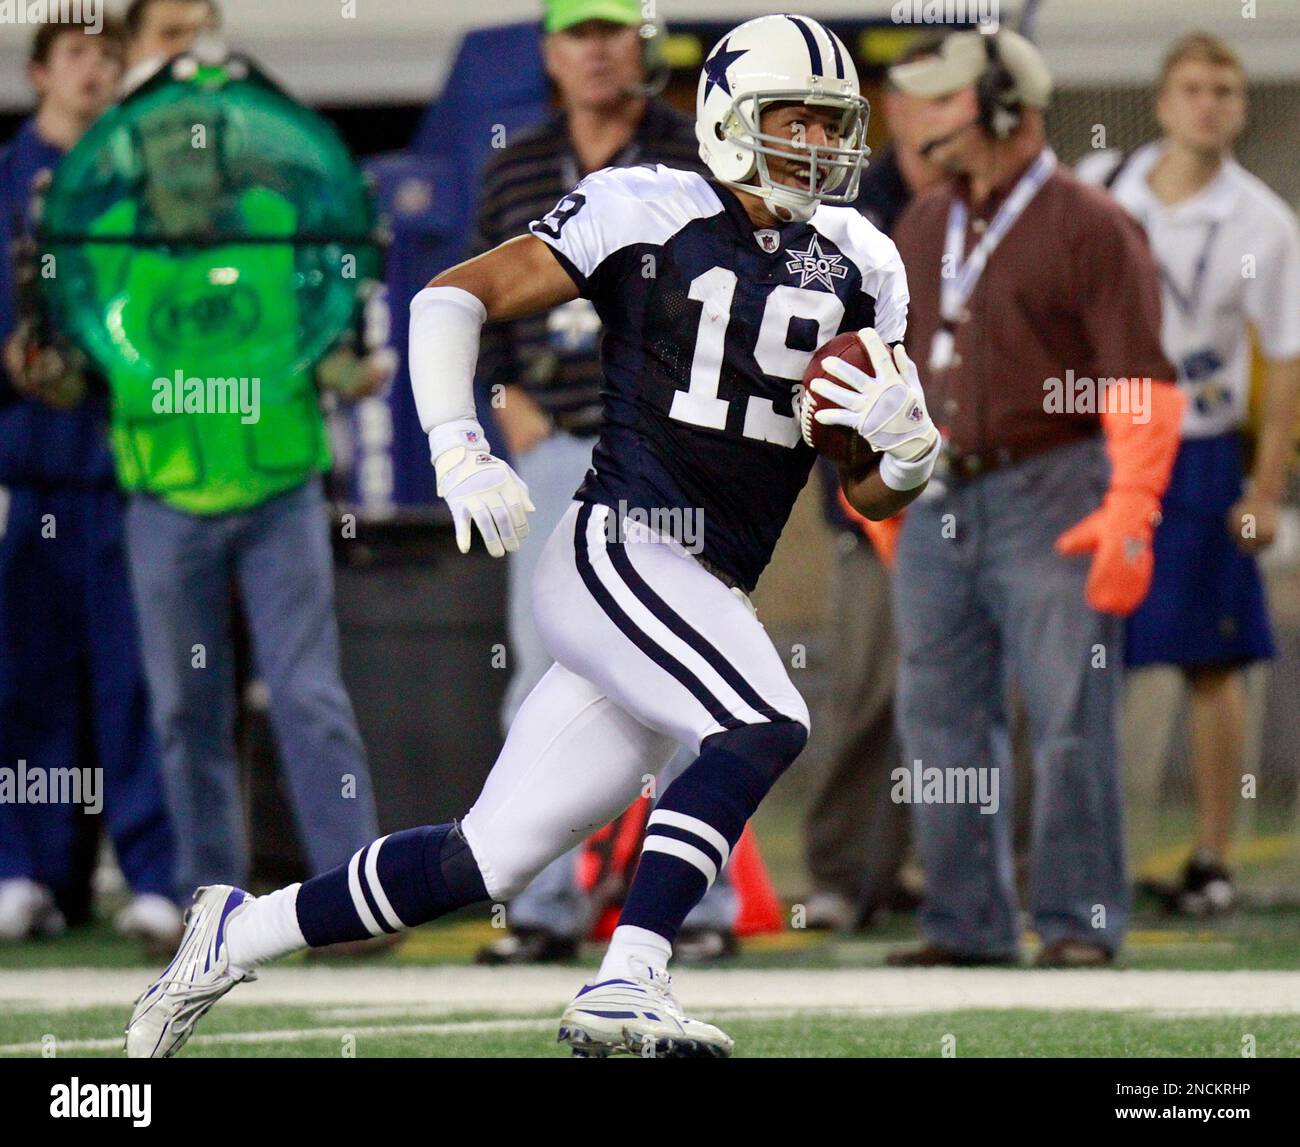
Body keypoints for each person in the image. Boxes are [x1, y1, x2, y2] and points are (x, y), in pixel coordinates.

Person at [126, 14, 939, 1060]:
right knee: (761, 720)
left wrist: (906, 461)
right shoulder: (645, 203)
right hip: (619, 548)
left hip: (707, 583)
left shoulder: (864, 261)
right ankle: (629, 980)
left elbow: (868, 487)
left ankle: (232, 931)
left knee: (487, 856)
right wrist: (459, 447)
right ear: (731, 120)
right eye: (797, 120)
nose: (822, 147)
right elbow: (449, 296)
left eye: (835, 126)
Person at [883, 30, 1184, 968]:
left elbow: (1139, 375)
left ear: (1004, 106)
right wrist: (877, 487)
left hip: (1054, 482)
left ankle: (1076, 923)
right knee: (936, 719)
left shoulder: (1089, 221)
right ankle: (965, 924)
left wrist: (1133, 499)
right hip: (939, 490)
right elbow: (883, 365)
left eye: (944, 101)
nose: (923, 120)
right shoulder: (926, 224)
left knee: (1067, 717)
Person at [92, 2, 390, 904]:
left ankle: (352, 895)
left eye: (202, 130)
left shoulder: (277, 214)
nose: (187, 145)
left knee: (309, 696)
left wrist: (350, 363)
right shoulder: (98, 238)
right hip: (165, 495)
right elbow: (80, 362)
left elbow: (326, 338)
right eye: (168, 132)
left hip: (279, 486)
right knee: (184, 709)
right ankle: (206, 905)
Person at [472, 0, 737, 967]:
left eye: (612, 31)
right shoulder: (513, 164)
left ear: (642, 44)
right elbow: (486, 304)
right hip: (554, 440)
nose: (595, 49)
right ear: (550, 50)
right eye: (578, 32)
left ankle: (693, 910)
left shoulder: (693, 152)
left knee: (700, 678)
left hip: (673, 452)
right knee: (542, 666)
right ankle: (540, 903)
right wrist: (507, 405)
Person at [1079, 33, 1300, 912]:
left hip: (1199, 447)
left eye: (1225, 90)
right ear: (1163, 103)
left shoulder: (1264, 221)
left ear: (1241, 108)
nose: (1208, 104)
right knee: (1090, 653)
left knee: (1213, 657)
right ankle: (1087, 849)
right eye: (1192, 88)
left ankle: (1212, 856)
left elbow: (1284, 359)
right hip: (1099, 442)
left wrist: (1265, 485)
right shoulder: (1102, 186)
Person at [0, 17, 179, 949]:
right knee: (27, 679)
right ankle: (27, 870)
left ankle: (152, 873)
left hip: (131, 470)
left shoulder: (138, 180)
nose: (98, 72)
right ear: (38, 72)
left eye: (110, 57)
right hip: (30, 469)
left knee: (138, 679)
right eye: (77, 56)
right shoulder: (7, 181)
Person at [801, 36, 945, 931]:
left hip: (987, 488)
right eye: (928, 97)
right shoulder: (849, 217)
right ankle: (845, 872)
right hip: (874, 502)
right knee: (866, 696)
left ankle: (969, 878)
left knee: (978, 703)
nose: (948, 115)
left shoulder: (999, 208)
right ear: (897, 108)